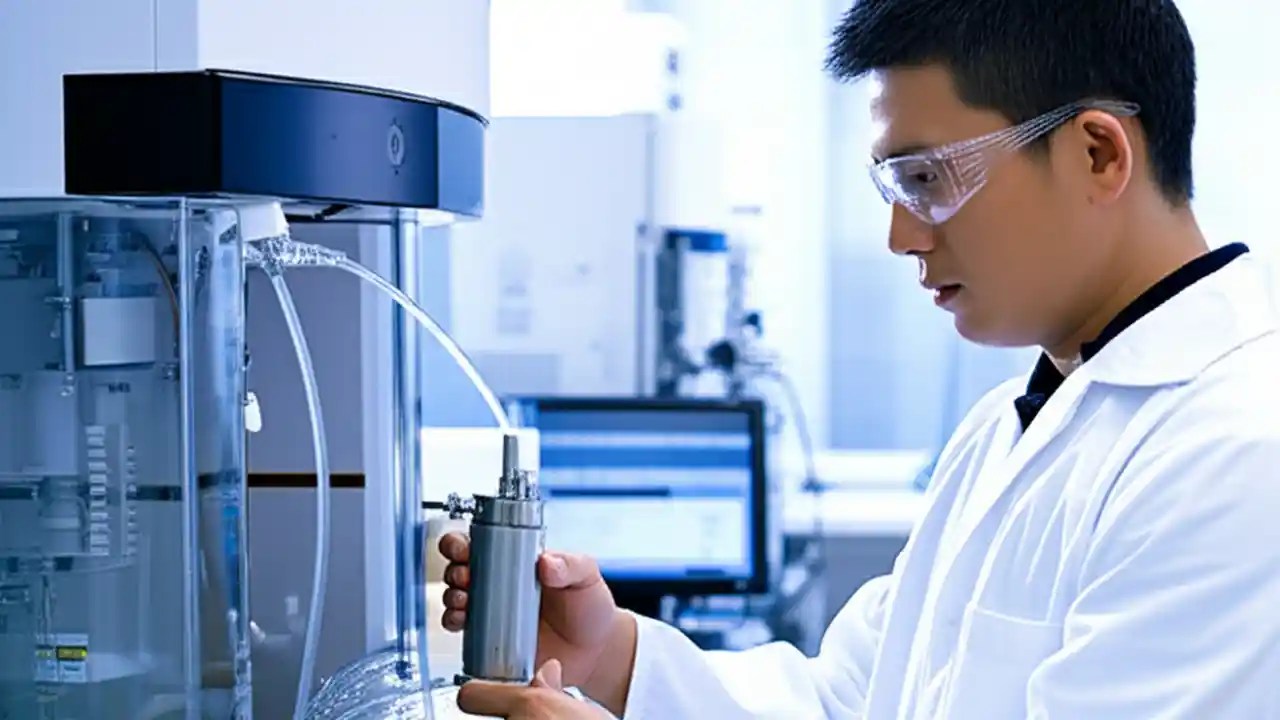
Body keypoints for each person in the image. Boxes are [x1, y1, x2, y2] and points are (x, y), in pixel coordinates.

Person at [440, 0, 1280, 717]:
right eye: (894, 186)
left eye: (928, 179)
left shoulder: (1237, 455)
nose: (901, 236)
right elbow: (854, 697)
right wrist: (611, 655)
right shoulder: (1012, 423)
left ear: (1098, 153)